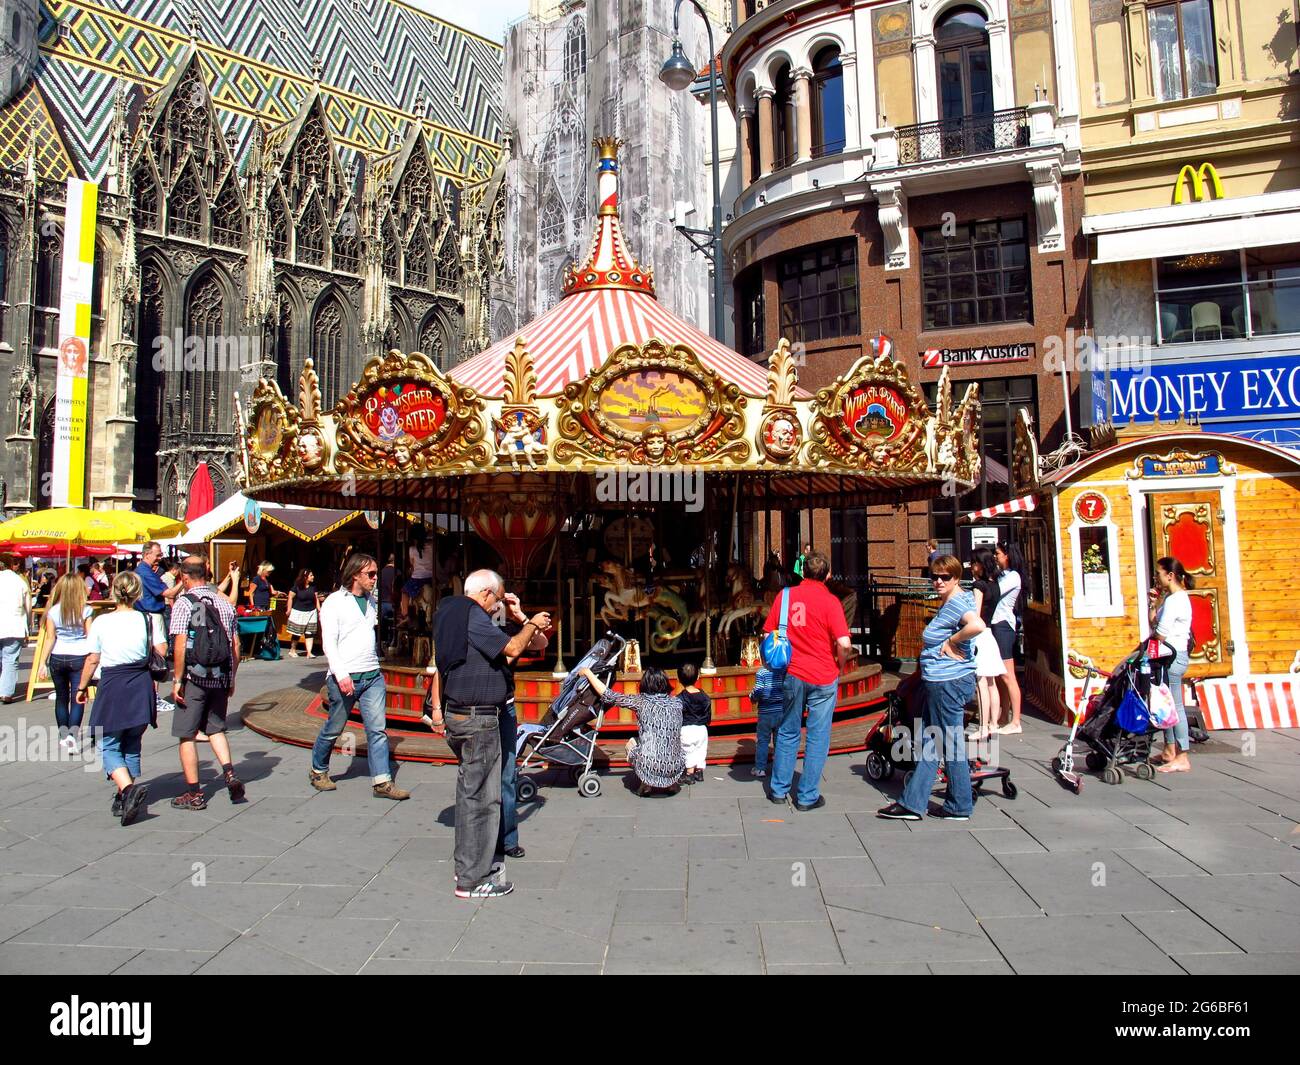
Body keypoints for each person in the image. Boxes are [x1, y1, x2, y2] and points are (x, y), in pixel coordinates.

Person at [433, 569, 550, 898]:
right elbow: (513, 649)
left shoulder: (448, 613)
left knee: (471, 794)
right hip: (478, 718)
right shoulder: (473, 616)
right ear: (485, 594)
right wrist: (530, 623)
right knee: (482, 799)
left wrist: (520, 616)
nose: (497, 605)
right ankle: (473, 878)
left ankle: (471, 863)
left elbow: (443, 663)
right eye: (496, 599)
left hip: (460, 715)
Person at [878, 554, 986, 822]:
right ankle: (921, 803)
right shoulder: (952, 600)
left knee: (945, 741)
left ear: (956, 578)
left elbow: (977, 624)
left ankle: (951, 804)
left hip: (947, 683)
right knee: (934, 739)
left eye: (944, 577)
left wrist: (952, 641)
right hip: (942, 681)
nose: (938, 581)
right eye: (934, 576)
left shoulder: (958, 601)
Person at [311, 553, 410, 801]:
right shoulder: (335, 602)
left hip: (372, 674)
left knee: (377, 729)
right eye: (371, 574)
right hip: (345, 675)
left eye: (376, 573)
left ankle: (382, 781)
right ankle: (318, 769)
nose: (375, 578)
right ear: (355, 574)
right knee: (335, 726)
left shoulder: (372, 601)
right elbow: (329, 643)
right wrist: (341, 673)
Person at [761, 552, 853, 811]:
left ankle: (779, 790)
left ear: (802, 573)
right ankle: (807, 795)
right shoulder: (831, 601)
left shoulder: (785, 596)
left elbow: (768, 632)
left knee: (788, 731)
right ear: (827, 574)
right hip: (824, 674)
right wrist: (840, 665)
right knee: (817, 736)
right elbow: (844, 643)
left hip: (793, 672)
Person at [75, 571, 164, 826]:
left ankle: (127, 790)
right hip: (141, 684)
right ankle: (123, 796)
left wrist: (81, 687)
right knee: (132, 741)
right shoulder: (149, 619)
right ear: (138, 593)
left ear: (113, 591)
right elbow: (161, 650)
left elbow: (93, 658)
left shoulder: (102, 622)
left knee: (108, 743)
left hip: (114, 684)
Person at [169, 557, 245, 810]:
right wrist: (231, 676)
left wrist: (178, 678)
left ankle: (195, 793)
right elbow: (235, 645)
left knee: (186, 734)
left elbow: (180, 644)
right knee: (216, 728)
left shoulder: (184, 603)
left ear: (185, 577)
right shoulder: (225, 604)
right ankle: (230, 774)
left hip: (195, 676)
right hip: (221, 675)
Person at [579, 665, 684, 796]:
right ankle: (671, 784)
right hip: (675, 765)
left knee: (631, 743)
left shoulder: (640, 702)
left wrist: (588, 673)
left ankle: (646, 784)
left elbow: (609, 695)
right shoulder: (677, 703)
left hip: (649, 763)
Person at [37, 573, 94, 753]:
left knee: (61, 698)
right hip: (79, 656)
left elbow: (50, 638)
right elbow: (90, 636)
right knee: (78, 697)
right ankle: (72, 737)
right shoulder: (85, 609)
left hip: (57, 656)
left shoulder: (53, 611)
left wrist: (42, 662)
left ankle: (63, 735)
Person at [1149, 556, 1194, 774]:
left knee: (1175, 706)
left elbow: (1160, 632)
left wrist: (1148, 643)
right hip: (1167, 655)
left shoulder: (1177, 600)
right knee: (1165, 704)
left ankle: (1182, 755)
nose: (1156, 577)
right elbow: (1154, 621)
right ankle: (1169, 749)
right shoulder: (1171, 598)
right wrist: (1153, 603)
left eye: (1158, 573)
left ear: (1170, 575)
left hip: (1173, 656)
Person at [968, 547, 1005, 741]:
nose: (971, 566)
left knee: (981, 681)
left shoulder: (979, 586)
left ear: (980, 564)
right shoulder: (995, 584)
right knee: (992, 682)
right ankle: (993, 724)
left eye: (974, 562)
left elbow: (975, 613)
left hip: (980, 634)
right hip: (990, 633)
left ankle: (983, 727)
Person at [991, 541, 1028, 735]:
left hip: (1004, 625)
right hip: (997, 624)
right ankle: (1004, 715)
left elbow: (994, 593)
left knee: (1008, 674)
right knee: (999, 674)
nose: (995, 556)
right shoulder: (1004, 575)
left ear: (1007, 555)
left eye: (998, 553)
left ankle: (1015, 720)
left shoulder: (1013, 576)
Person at [0, 552, 30, 702]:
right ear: (13, 565)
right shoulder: (20, 582)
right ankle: (5, 692)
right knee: (10, 659)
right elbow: (28, 607)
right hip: (14, 625)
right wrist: (28, 626)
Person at [677, 661, 711, 785]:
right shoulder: (705, 696)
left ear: (679, 679)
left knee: (688, 750)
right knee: (701, 750)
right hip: (702, 728)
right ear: (698, 677)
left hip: (687, 728)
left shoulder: (679, 699)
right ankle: (699, 771)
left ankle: (689, 773)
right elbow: (708, 714)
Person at [749, 663, 785, 779]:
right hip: (781, 711)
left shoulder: (762, 672)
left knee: (763, 741)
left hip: (765, 712)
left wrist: (752, 697)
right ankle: (780, 768)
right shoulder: (783, 670)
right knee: (779, 740)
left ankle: (760, 768)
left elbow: (759, 690)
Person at [135, 541, 182, 628]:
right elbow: (169, 594)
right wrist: (185, 580)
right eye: (157, 555)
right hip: (151, 617)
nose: (160, 558)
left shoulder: (145, 570)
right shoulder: (145, 572)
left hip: (149, 615)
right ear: (146, 555)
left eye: (160, 555)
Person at [401, 531, 436, 622]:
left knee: (404, 591)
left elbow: (412, 564)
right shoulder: (431, 547)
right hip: (431, 578)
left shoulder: (412, 549)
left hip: (417, 578)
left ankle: (405, 614)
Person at [287, 569, 322, 658]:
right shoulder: (297, 586)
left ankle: (309, 653)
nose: (313, 577)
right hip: (299, 612)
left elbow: (316, 598)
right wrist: (289, 609)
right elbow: (290, 597)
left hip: (311, 611)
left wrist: (319, 610)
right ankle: (292, 650)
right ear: (305, 577)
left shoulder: (313, 587)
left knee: (310, 632)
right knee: (297, 632)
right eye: (311, 575)